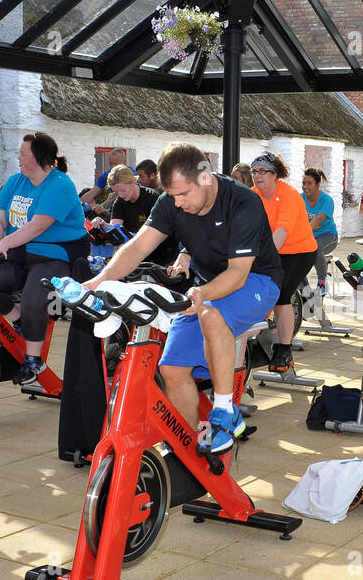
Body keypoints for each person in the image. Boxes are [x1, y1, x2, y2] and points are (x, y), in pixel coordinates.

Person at [85, 143, 282, 453]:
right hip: (207, 284)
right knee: (172, 368)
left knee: (211, 313)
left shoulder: (243, 203)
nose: (178, 204)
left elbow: (238, 275)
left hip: (257, 280)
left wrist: (201, 293)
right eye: (172, 196)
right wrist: (97, 282)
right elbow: (137, 248)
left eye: (183, 195)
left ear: (204, 178)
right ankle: (188, 452)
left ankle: (224, 412)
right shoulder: (171, 201)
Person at [0, 131, 91, 385]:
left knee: (35, 299)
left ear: (39, 157)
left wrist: (2, 244)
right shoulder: (15, 182)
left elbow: (37, 226)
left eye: (23, 154)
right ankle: (21, 321)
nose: (19, 159)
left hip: (56, 252)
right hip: (21, 250)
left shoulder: (59, 184)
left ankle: (33, 361)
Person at [249, 152, 318, 373]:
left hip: (299, 250)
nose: (257, 176)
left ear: (275, 175)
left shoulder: (289, 195)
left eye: (263, 171)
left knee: (281, 294)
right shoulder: (252, 196)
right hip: (272, 250)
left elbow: (282, 231)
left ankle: (284, 348)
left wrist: (262, 258)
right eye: (254, 171)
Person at [95, 164, 182, 268]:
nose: (120, 195)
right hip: (139, 251)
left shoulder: (152, 198)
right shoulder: (120, 201)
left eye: (123, 190)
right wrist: (103, 224)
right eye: (116, 192)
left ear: (133, 181)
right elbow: (115, 228)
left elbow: (156, 234)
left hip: (162, 251)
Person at [301, 167, 338, 293]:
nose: (305, 186)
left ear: (317, 184)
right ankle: (303, 288)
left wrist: (303, 235)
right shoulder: (300, 198)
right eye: (304, 183)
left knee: (315, 248)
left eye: (309, 183)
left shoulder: (327, 200)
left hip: (328, 236)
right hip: (308, 236)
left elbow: (319, 219)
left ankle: (322, 284)